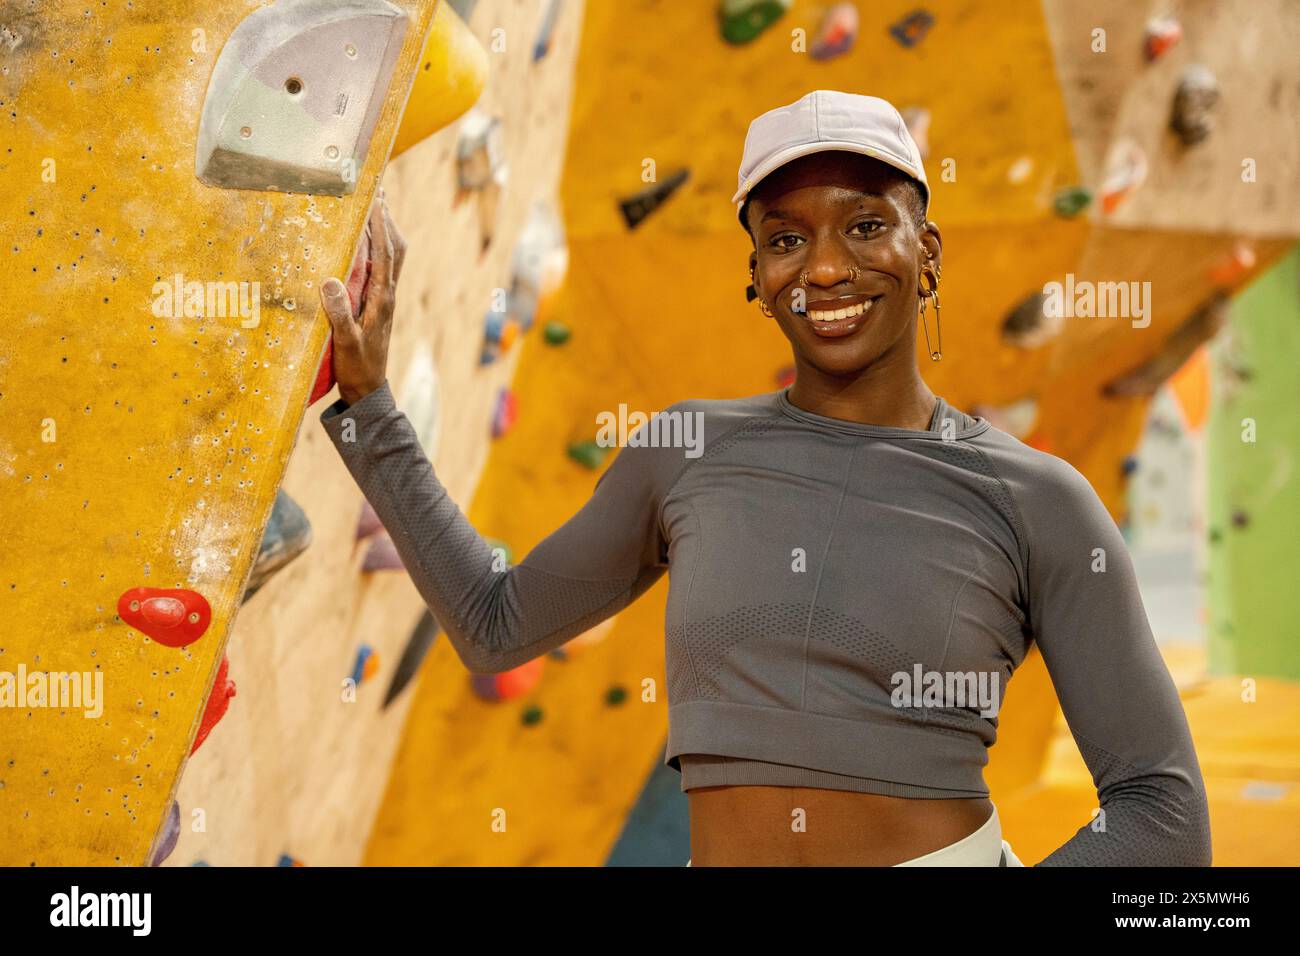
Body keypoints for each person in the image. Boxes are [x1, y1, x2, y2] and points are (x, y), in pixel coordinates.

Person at [317, 91, 1212, 867]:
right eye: (787, 238)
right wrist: (370, 404)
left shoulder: (1038, 503)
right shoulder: (687, 450)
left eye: (866, 225)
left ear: (927, 250)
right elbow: (494, 624)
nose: (825, 267)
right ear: (757, 274)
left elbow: (1164, 820)